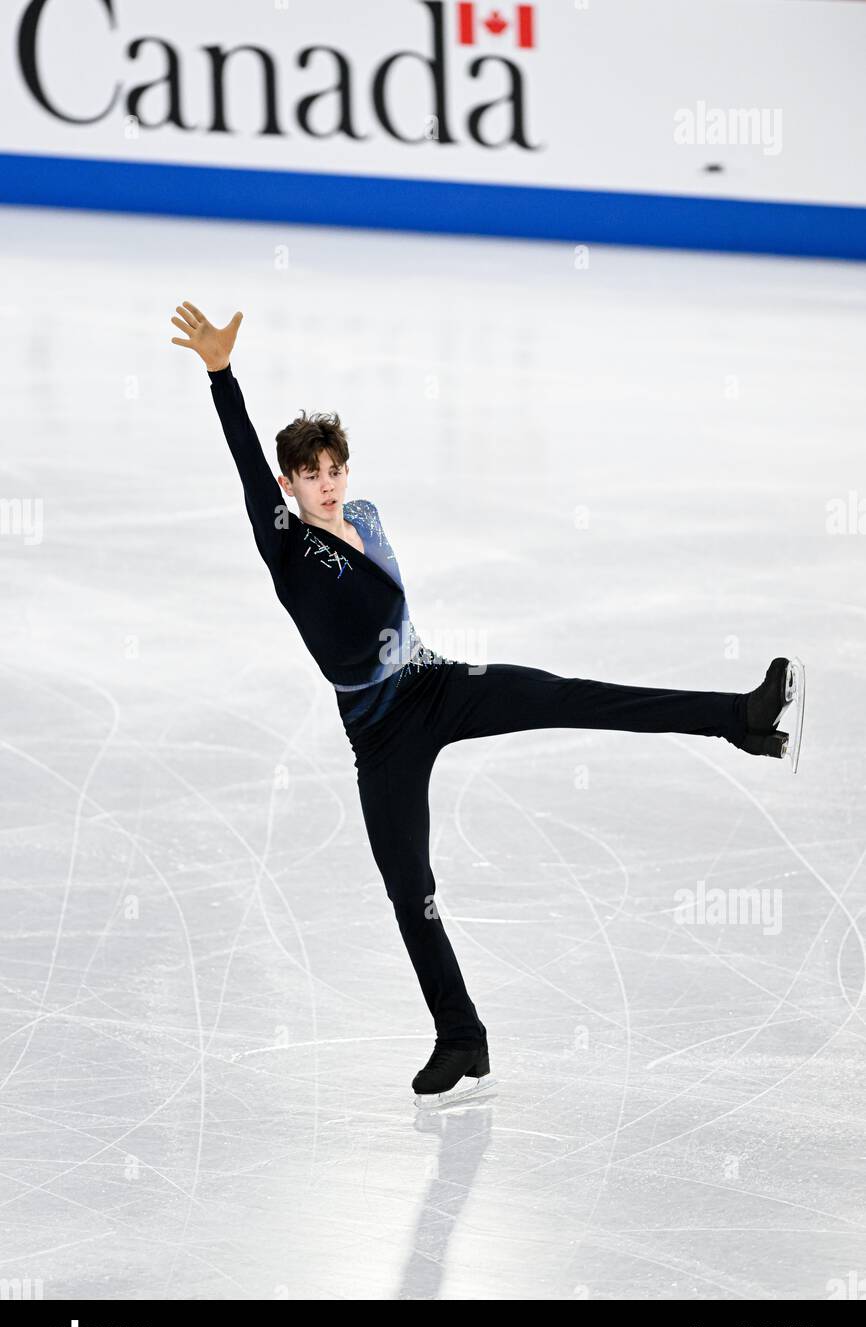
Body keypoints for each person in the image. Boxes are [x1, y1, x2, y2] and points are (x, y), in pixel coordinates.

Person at [170, 301, 805, 1109]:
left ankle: (738, 717)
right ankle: (461, 1036)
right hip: (380, 735)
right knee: (411, 890)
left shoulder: (363, 515)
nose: (328, 486)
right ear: (290, 484)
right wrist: (222, 375)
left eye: (335, 470)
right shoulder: (285, 542)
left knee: (569, 695)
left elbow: (392, 616)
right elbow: (243, 463)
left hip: (437, 685)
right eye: (311, 476)